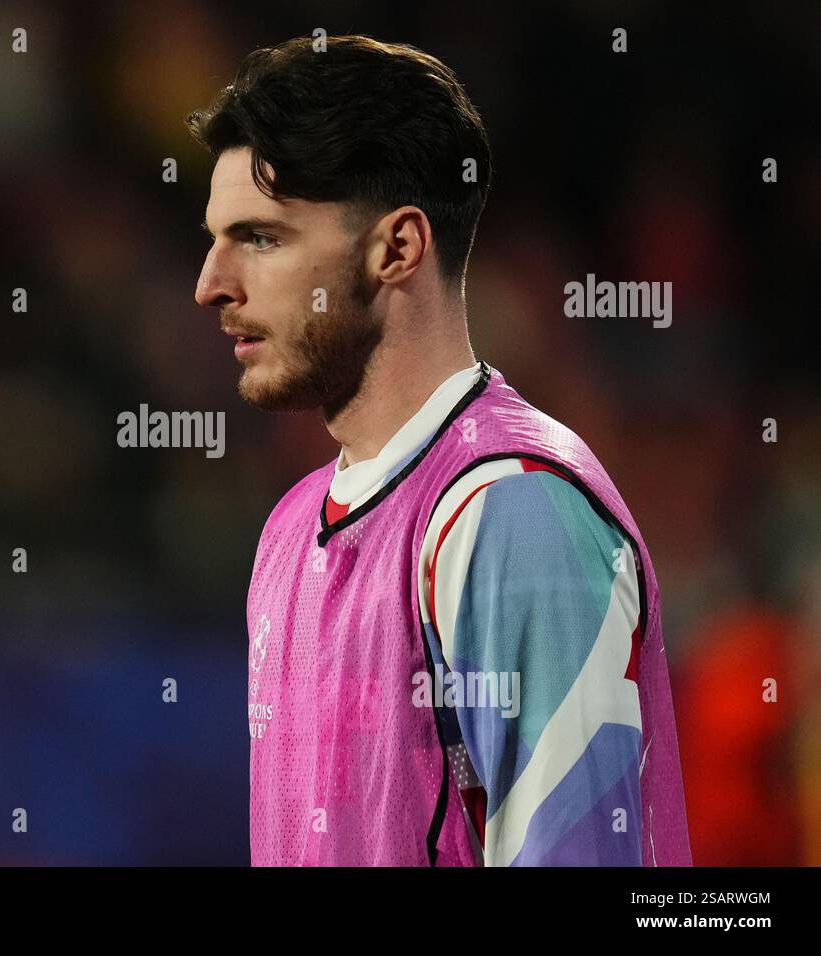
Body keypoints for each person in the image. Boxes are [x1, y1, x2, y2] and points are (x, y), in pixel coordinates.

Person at [188, 35, 691, 866]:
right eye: (214, 238)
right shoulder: (289, 529)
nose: (211, 282)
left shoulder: (514, 513)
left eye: (261, 238)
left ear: (397, 248)